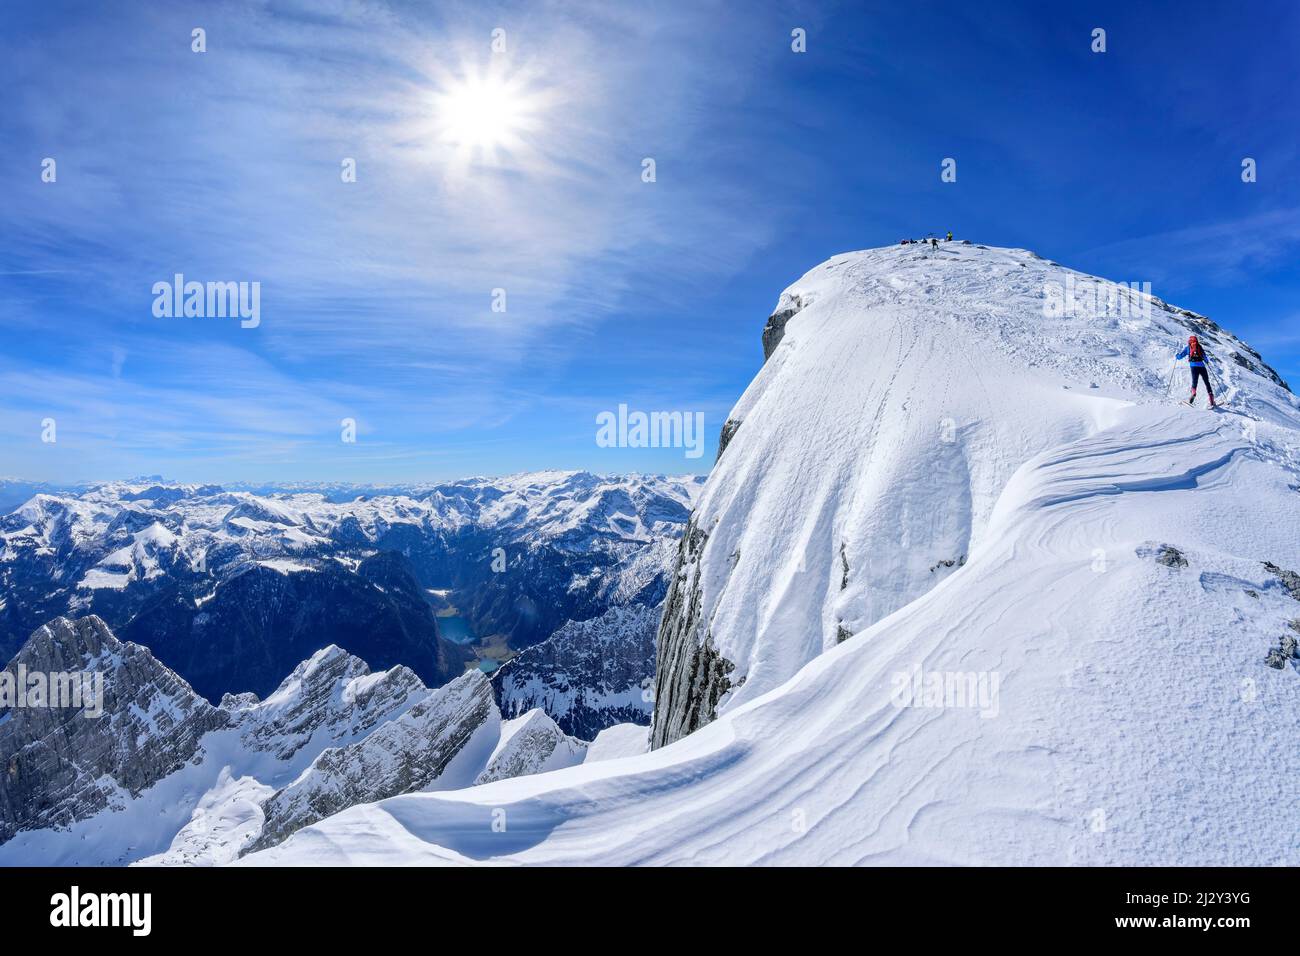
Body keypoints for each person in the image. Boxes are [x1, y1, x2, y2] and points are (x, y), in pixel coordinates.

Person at [1175, 334, 1216, 407]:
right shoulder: (1199, 347)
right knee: (1207, 382)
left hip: (1193, 367)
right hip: (1202, 366)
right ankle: (1211, 397)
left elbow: (1180, 356)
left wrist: (1177, 356)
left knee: (1195, 381)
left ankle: (1193, 393)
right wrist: (1206, 361)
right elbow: (1204, 357)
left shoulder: (1188, 348)